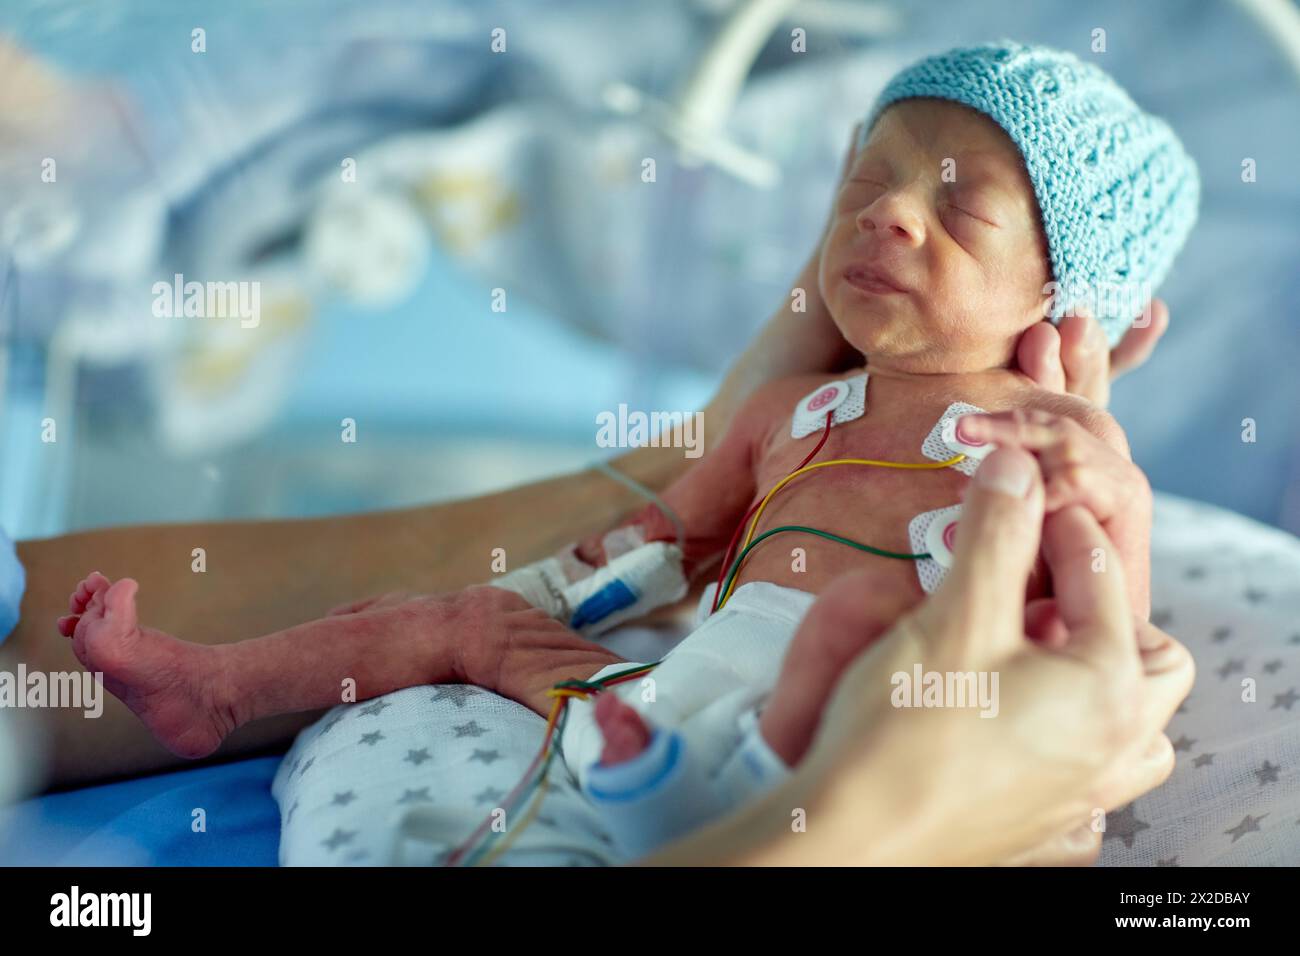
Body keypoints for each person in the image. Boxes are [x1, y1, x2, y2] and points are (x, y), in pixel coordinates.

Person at [2, 109, 1170, 790]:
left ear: (1071, 299)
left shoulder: (1062, 440)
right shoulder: (780, 418)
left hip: (866, 737)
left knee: (858, 636)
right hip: (648, 707)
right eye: (862, 186)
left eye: (957, 212)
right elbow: (665, 538)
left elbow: (1106, 620)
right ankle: (213, 682)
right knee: (441, 618)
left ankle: (723, 803)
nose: (883, 214)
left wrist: (1094, 486)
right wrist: (537, 593)